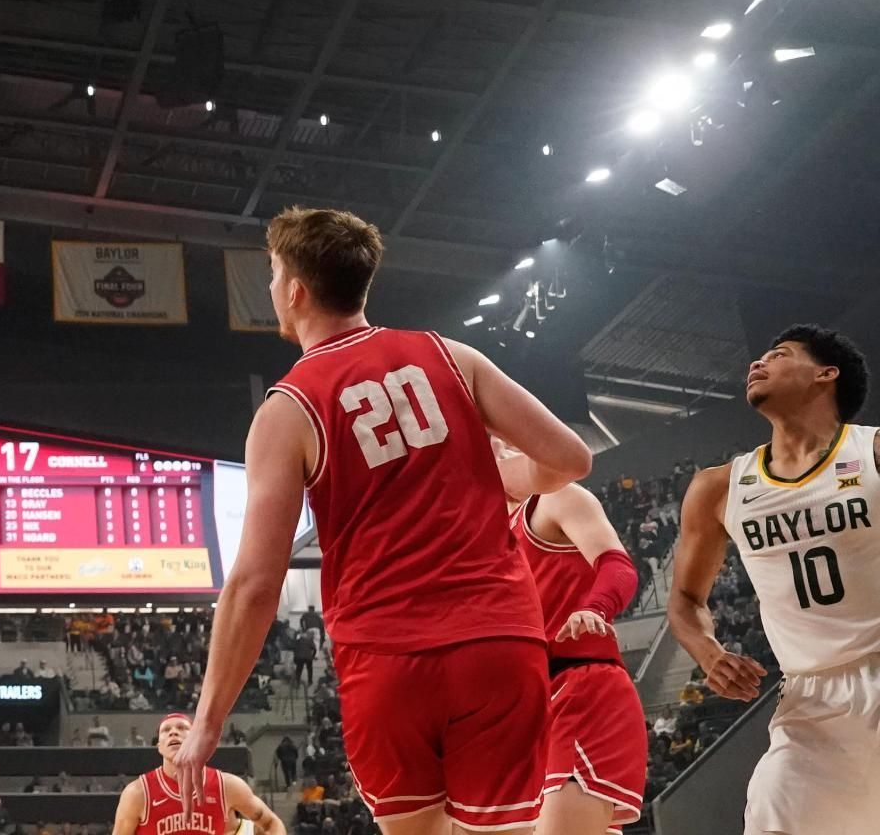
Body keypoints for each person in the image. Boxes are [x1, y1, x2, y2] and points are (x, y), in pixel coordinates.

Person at [174, 206, 592, 835]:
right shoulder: (450, 355)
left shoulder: (287, 409)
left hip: (388, 658)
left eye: (271, 276)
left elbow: (257, 583)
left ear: (295, 290)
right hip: (498, 640)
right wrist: (515, 480)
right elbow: (570, 457)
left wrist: (207, 722)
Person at [668, 324, 878, 833]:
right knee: (770, 815)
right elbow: (686, 599)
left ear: (825, 375)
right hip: (809, 699)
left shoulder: (871, 452)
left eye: (778, 355)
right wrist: (708, 652)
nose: (755, 364)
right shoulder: (718, 487)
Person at [506, 478, 647, 833]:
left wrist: (596, 608)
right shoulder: (474, 542)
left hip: (578, 687)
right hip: (523, 715)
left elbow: (618, 566)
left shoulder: (553, 498)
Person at [111, 713, 281, 835]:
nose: (173, 732)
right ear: (159, 746)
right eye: (166, 730)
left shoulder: (227, 786)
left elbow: (271, 824)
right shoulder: (138, 793)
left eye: (182, 728)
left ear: (196, 739)